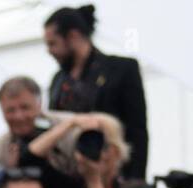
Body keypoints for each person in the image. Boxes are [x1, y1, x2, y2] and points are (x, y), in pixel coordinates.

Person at [44, 5, 149, 179]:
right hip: (69, 178)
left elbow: (137, 131)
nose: (49, 51)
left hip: (111, 175)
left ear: (73, 36)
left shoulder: (122, 69)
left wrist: (135, 180)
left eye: (52, 44)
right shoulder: (58, 80)